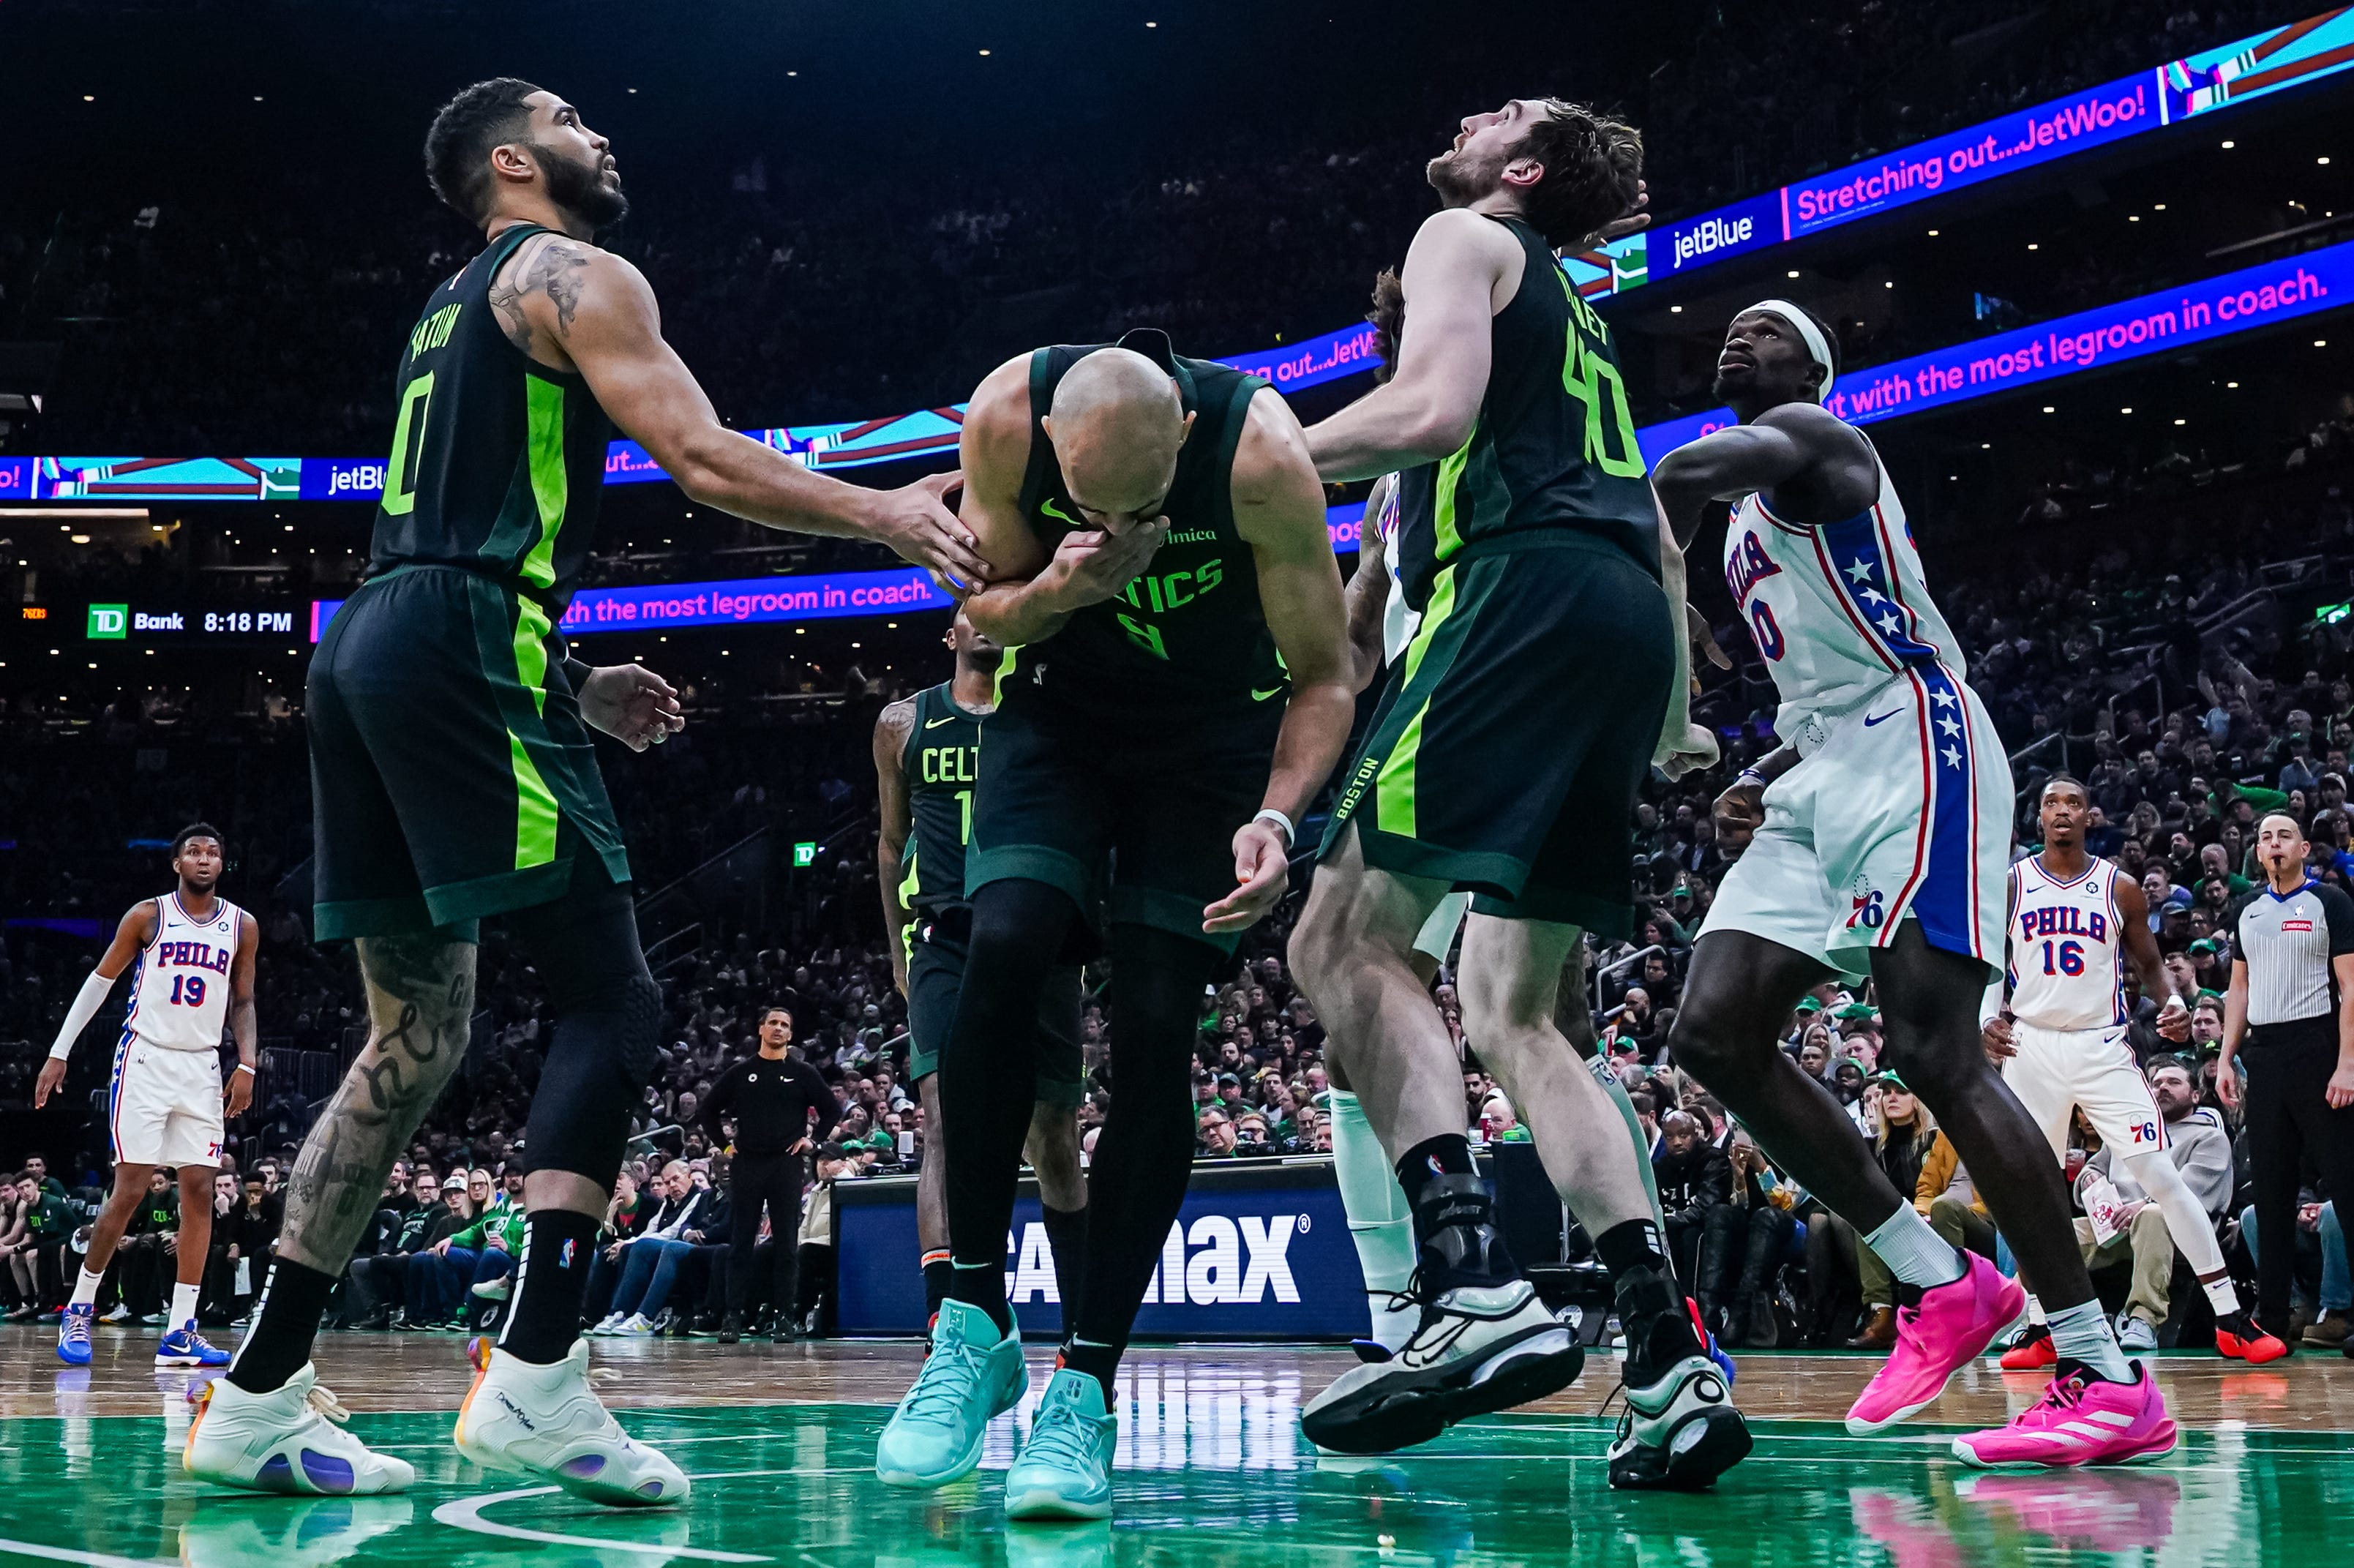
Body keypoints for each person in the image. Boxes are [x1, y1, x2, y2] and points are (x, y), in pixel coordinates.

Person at [189, 79, 979, 1507]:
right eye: (566, 117)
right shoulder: (574, 271)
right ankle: (539, 1372)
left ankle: (255, 1393)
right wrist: (885, 512)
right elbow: (697, 452)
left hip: (369, 647)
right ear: (511, 160)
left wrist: (565, 681)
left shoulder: (445, 310)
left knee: (416, 1038)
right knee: (612, 997)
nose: (599, 131)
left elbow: (450, 535)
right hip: (461, 635)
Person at [1285, 98, 1744, 1491]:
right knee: (1511, 1008)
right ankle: (1666, 1353)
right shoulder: (1573, 316)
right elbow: (1664, 547)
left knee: (1337, 939)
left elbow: (1427, 410)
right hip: (1617, 625)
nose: (1468, 117)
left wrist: (1248, 455)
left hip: (1518, 594)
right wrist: (1675, 716)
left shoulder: (1461, 234)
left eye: (1500, 116)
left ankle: (1471, 1282)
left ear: (1522, 170)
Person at [1652, 301, 2171, 1468]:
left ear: (1815, 370)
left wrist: (1659, 607)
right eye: (1730, 330)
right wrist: (1764, 769)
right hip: (1821, 763)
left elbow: (1677, 472)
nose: (1739, 338)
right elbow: (1817, 681)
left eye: (1769, 331)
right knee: (1711, 1031)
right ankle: (1940, 1279)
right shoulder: (1748, 520)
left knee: (1932, 1050)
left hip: (1916, 737)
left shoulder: (1819, 438)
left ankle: (2103, 1369)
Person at [873, 322, 1351, 1523]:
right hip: (1059, 715)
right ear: (1052, 445)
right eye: (1095, 504)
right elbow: (989, 619)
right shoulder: (1002, 416)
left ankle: (1085, 1386)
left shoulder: (1259, 455)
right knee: (1004, 936)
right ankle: (972, 1316)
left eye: (1144, 506)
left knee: (1152, 1019)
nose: (1125, 524)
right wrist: (1068, 584)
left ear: (1183, 434)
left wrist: (1279, 816)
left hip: (1210, 741)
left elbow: (1324, 675)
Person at [1985, 777, 2283, 1365]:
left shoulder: (2118, 886)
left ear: (2088, 816)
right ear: (2038, 817)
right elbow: (1990, 962)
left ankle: (2229, 1317)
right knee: (2031, 1189)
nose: (2062, 811)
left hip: (2101, 1044)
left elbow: (2148, 962)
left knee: (2159, 1174)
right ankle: (2041, 1323)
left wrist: (2171, 1002)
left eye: (2072, 803)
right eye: (2051, 803)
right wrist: (1984, 1016)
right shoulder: (2011, 884)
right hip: (2031, 1044)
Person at [872, 615, 1088, 1338]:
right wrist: (898, 954)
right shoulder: (902, 723)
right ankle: (949, 1319)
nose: (989, 619)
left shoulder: (1049, 710)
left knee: (1053, 1134)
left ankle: (1081, 1323)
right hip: (945, 936)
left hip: (1037, 931)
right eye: (975, 605)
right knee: (942, 1117)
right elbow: (890, 843)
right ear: (950, 634)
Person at [37, 824, 255, 1369]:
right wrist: (60, 1051)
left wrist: (247, 1062)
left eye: (213, 853)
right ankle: (80, 1307)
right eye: (193, 852)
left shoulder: (242, 925)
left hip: (202, 1064)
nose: (204, 859)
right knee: (130, 1189)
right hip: (146, 1059)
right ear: (177, 863)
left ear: (222, 865)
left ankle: (181, 1330)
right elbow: (100, 980)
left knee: (199, 1191)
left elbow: (243, 1000)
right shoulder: (147, 915)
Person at [2219, 813, 2354, 1346]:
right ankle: (2271, 1320)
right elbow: (2239, 989)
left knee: (2346, 1182)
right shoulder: (2246, 909)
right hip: (2265, 1054)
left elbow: (2351, 987)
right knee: (2271, 1190)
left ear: (2302, 848)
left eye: (2284, 836)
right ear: (2257, 852)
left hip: (2319, 1048)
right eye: (2265, 838)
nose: (2274, 844)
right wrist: (2227, 1059)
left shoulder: (2330, 902)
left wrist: (2347, 1063)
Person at [699, 1009, 838, 1341]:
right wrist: (726, 1147)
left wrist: (814, 1141)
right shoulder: (741, 1072)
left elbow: (832, 1109)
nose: (778, 1028)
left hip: (785, 1165)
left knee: (787, 1244)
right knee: (741, 1242)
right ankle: (732, 1317)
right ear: (761, 1029)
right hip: (747, 1164)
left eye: (785, 1025)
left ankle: (785, 1316)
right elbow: (708, 1110)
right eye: (773, 1023)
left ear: (791, 1035)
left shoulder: (802, 1072)